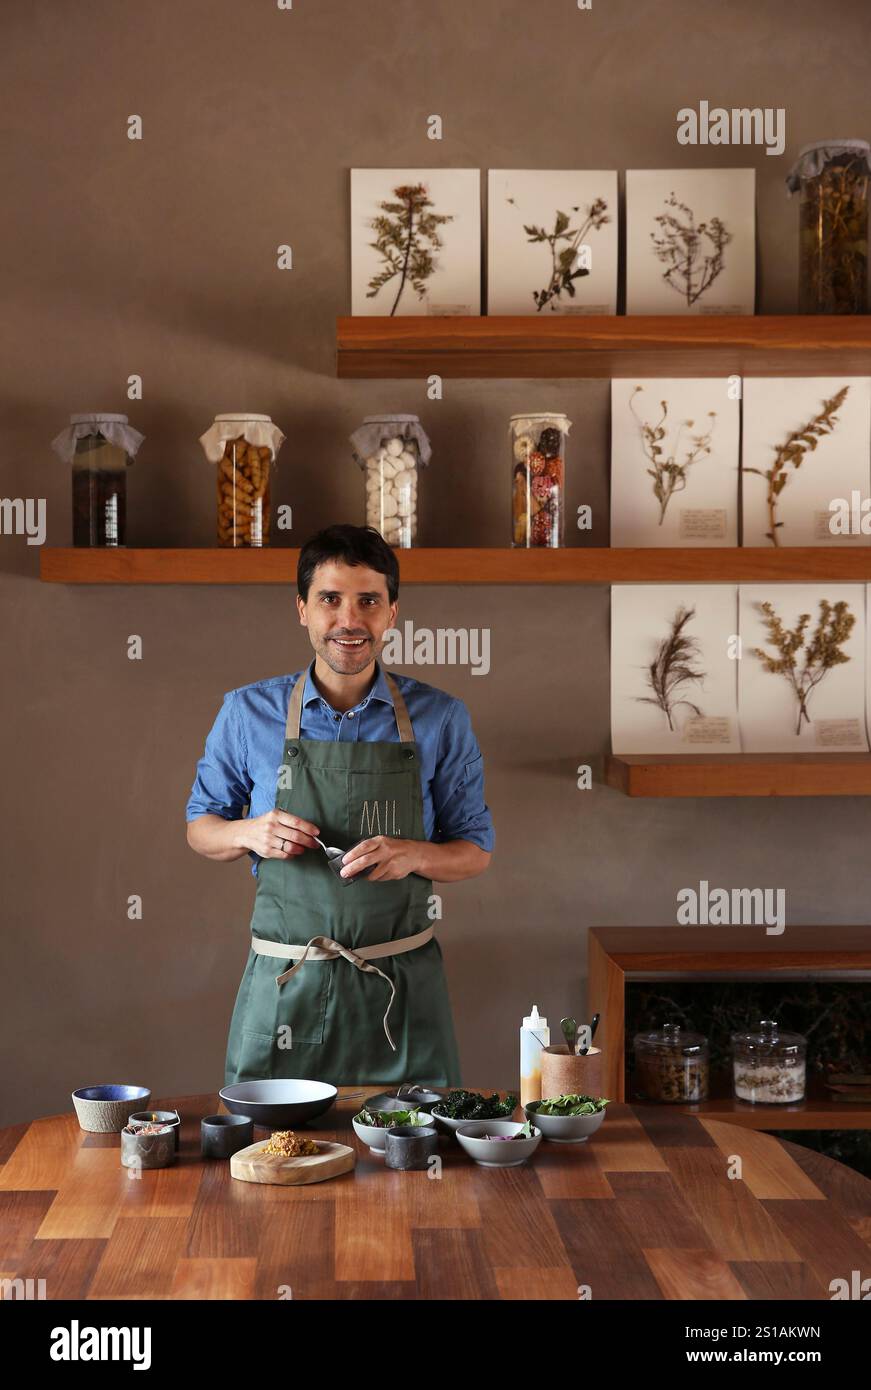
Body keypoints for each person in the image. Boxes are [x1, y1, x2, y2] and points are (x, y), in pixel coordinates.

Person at [186, 524, 494, 1086]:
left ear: (392, 612)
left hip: (401, 993)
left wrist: (414, 855)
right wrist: (247, 833)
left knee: (414, 1161)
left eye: (368, 601)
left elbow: (475, 851)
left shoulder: (442, 718)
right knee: (271, 1158)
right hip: (286, 986)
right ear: (302, 608)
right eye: (330, 599)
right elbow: (200, 826)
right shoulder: (246, 712)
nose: (349, 621)